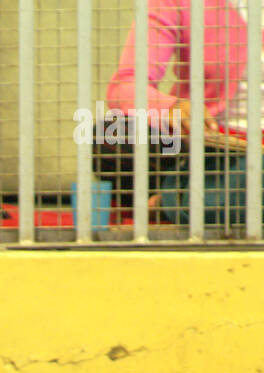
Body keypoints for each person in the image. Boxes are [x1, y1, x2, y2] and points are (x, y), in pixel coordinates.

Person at [106, 0, 264, 226]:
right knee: (110, 135)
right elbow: (125, 85)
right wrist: (170, 107)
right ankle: (198, 200)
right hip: (210, 147)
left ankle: (176, 203)